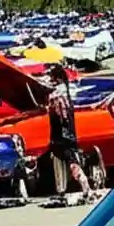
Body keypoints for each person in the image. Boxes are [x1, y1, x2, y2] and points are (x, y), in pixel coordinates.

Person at [45, 65, 102, 205]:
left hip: (61, 137)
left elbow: (61, 117)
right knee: (71, 162)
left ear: (56, 78)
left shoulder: (57, 95)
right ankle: (80, 188)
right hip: (68, 135)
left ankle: (74, 188)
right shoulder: (66, 92)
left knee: (66, 164)